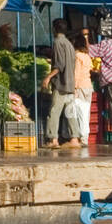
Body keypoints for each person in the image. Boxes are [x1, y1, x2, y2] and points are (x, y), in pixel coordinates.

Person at [43, 19, 80, 148]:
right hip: (70, 84)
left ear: (54, 29)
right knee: (70, 112)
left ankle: (53, 139)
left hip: (61, 84)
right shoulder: (69, 44)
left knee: (54, 112)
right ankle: (74, 139)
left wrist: (48, 77)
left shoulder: (58, 43)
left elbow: (59, 65)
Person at [70, 33, 94, 144]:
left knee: (79, 112)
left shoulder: (77, 56)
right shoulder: (87, 56)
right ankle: (85, 137)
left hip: (80, 87)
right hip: (88, 86)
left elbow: (76, 73)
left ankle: (82, 137)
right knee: (85, 112)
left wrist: (74, 88)